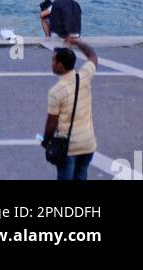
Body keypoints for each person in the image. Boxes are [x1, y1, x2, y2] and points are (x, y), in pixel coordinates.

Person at [44, 36, 98, 181]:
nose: (52, 63)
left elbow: (51, 123)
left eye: (54, 60)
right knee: (81, 176)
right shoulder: (85, 76)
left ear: (60, 65)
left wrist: (46, 141)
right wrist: (77, 41)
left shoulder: (56, 91)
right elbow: (92, 55)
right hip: (88, 144)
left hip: (69, 147)